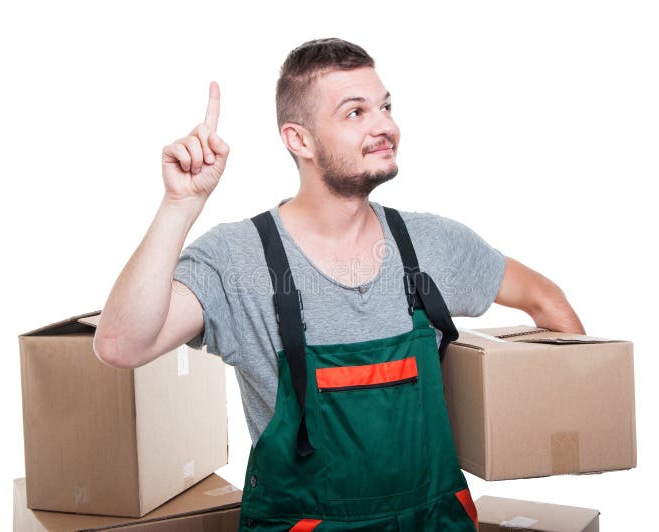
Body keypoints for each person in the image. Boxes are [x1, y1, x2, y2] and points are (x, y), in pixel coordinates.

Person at [94, 38, 584, 532]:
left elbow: (545, 299)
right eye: (355, 113)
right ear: (299, 140)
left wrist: (570, 421)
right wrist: (180, 206)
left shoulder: (433, 244)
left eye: (385, 106)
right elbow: (120, 345)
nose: (384, 126)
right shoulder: (238, 259)